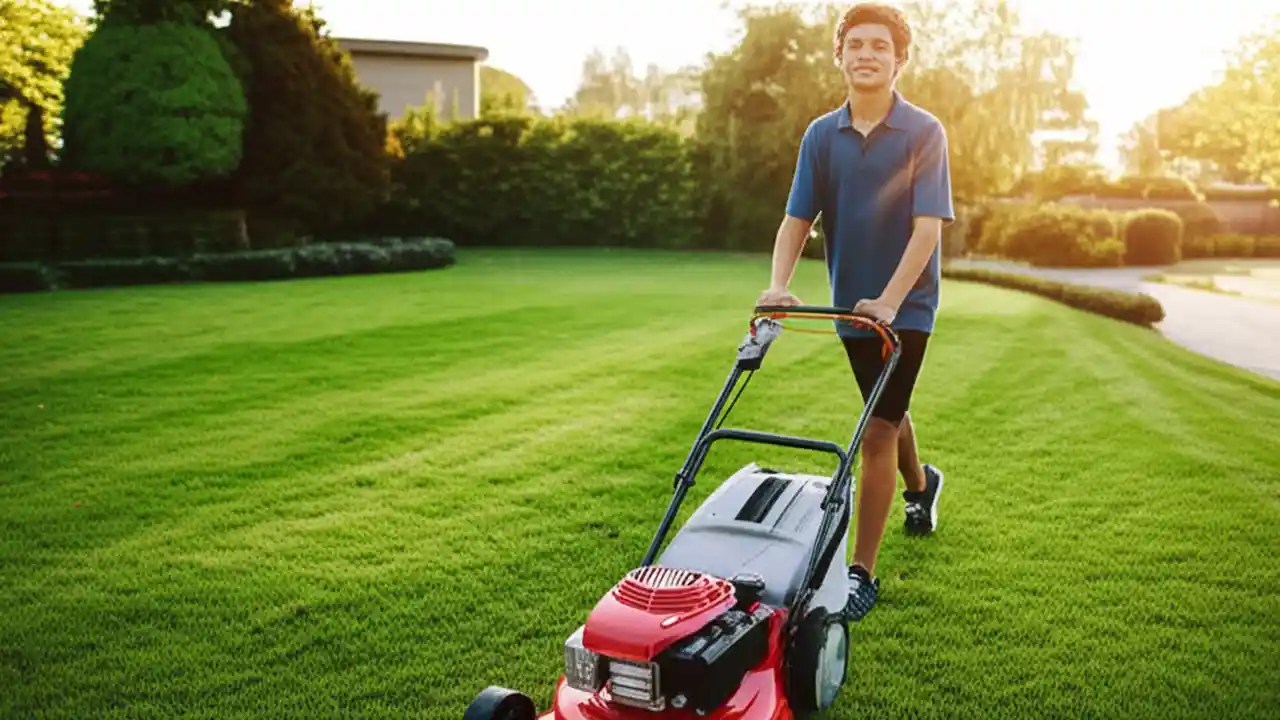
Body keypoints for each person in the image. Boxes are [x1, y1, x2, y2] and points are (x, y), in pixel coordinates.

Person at [755, 2, 953, 621]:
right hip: (850, 306)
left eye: (881, 47)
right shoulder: (821, 135)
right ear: (839, 54)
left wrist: (892, 301)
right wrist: (778, 286)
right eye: (856, 44)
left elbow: (927, 230)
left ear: (900, 60)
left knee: (875, 430)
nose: (867, 54)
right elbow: (796, 219)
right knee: (886, 411)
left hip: (908, 304)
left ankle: (862, 573)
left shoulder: (924, 132)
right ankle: (922, 487)